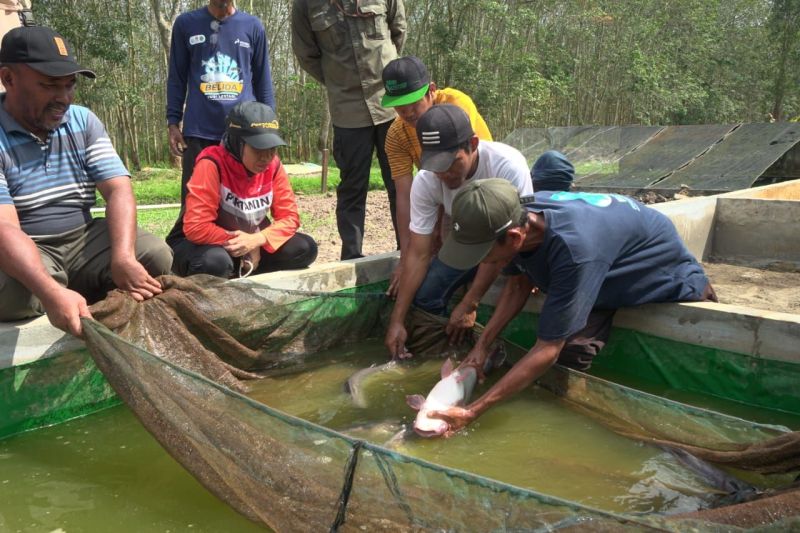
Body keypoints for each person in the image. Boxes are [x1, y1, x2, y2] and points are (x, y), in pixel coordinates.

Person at [426, 179, 718, 436]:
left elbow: (547, 349)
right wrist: (481, 347)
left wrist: (474, 410)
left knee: (566, 352)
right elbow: (518, 283)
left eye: (482, 253)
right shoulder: (516, 213)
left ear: (515, 237)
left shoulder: (576, 252)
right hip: (606, 259)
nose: (479, 261)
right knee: (566, 343)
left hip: (656, 273)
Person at [0, 25, 173, 337]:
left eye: (70, 86)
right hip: (29, 243)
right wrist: (50, 293)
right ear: (9, 79)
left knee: (155, 256)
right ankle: (61, 292)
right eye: (50, 86)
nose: (63, 98)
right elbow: (5, 229)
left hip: (84, 237)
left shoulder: (83, 120)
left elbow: (118, 188)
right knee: (15, 292)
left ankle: (75, 287)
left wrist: (122, 257)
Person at [384, 105, 532, 359]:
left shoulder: (507, 165)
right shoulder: (426, 180)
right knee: (426, 295)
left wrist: (470, 302)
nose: (443, 174)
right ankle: (445, 355)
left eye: (451, 164)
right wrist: (397, 321)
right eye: (435, 165)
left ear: (473, 144)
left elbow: (509, 241)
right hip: (467, 243)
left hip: (506, 243)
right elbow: (418, 254)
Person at [291, 0, 406, 260]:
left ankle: (408, 249)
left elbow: (398, 32)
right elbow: (306, 54)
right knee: (352, 187)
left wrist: (385, 75)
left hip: (388, 101)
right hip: (347, 109)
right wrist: (337, 81)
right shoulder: (305, 5)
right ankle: (352, 257)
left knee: (400, 182)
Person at [380, 55, 492, 296]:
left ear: (431, 91)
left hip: (480, 189)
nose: (407, 112)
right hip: (440, 192)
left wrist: (439, 228)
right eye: (399, 105)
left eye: (413, 102)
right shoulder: (396, 134)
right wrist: (405, 259)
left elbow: (461, 169)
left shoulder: (455, 104)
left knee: (465, 249)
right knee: (429, 262)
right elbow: (404, 195)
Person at [169, 101, 317, 278]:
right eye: (258, 149)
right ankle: (235, 269)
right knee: (215, 263)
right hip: (203, 246)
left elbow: (289, 218)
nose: (266, 157)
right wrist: (245, 245)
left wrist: (257, 240)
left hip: (249, 242)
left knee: (305, 248)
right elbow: (196, 228)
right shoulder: (211, 164)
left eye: (272, 149)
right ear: (237, 143)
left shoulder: (274, 165)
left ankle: (245, 269)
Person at [166, 0, 275, 207]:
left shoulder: (253, 26)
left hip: (243, 134)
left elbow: (263, 81)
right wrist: (173, 121)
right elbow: (176, 78)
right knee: (194, 205)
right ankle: (189, 240)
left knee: (243, 205)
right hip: (198, 133)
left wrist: (269, 129)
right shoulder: (185, 24)